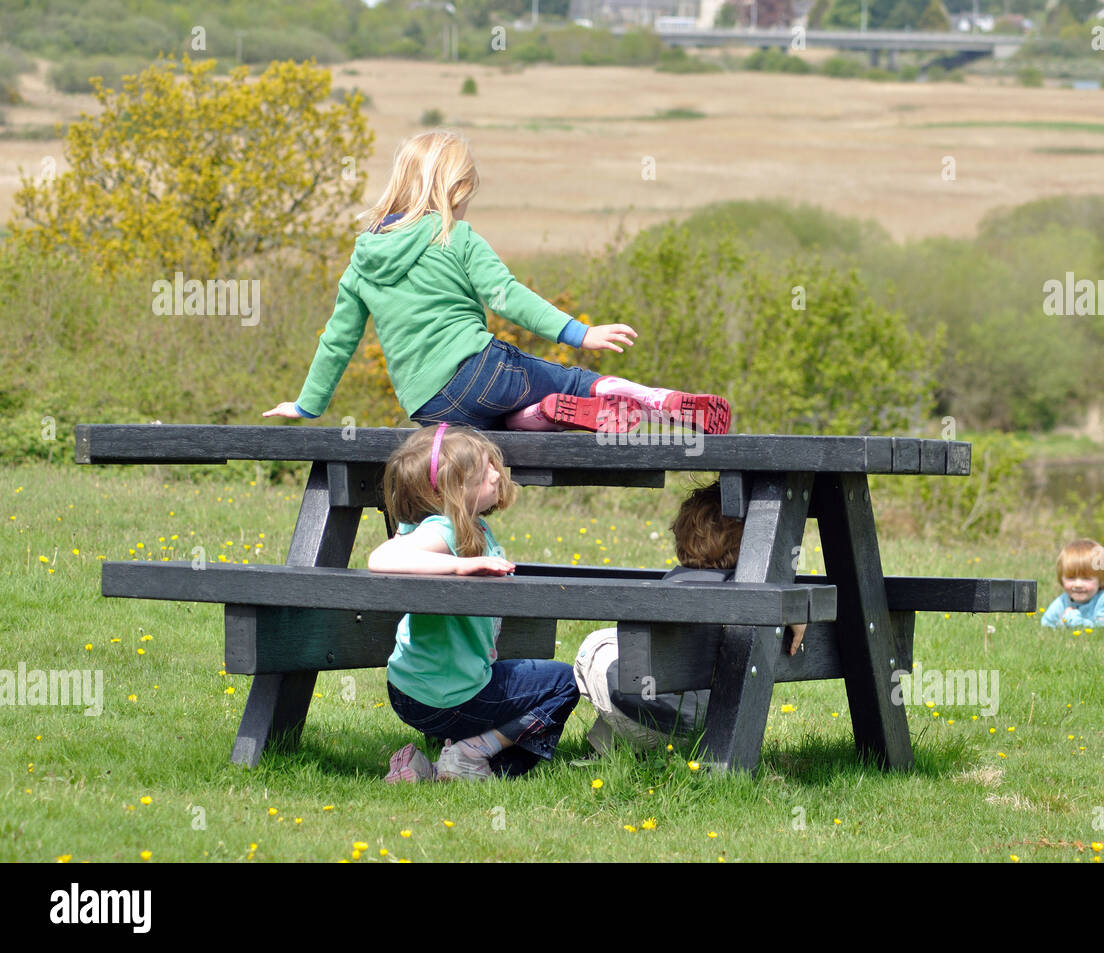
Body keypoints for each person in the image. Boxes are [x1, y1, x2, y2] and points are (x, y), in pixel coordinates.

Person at [263, 128, 730, 435]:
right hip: (478, 369)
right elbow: (507, 295)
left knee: (505, 426)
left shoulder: (362, 258)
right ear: (457, 191)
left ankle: (540, 415)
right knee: (573, 380)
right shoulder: (454, 235)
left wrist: (308, 404)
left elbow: (337, 340)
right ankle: (659, 401)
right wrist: (579, 332)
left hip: (431, 406)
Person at [369, 423, 579, 782]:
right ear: (453, 490)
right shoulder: (442, 529)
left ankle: (425, 768)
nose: (498, 475)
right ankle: (473, 754)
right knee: (565, 683)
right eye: (484, 473)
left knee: (513, 681)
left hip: (412, 690)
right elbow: (379, 559)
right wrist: (461, 565)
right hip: (453, 694)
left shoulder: (465, 526)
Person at [573, 480, 807, 753]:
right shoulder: (745, 593)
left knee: (600, 645)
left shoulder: (672, 582)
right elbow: (775, 602)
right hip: (706, 725)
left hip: (635, 711)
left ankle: (605, 749)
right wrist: (792, 609)